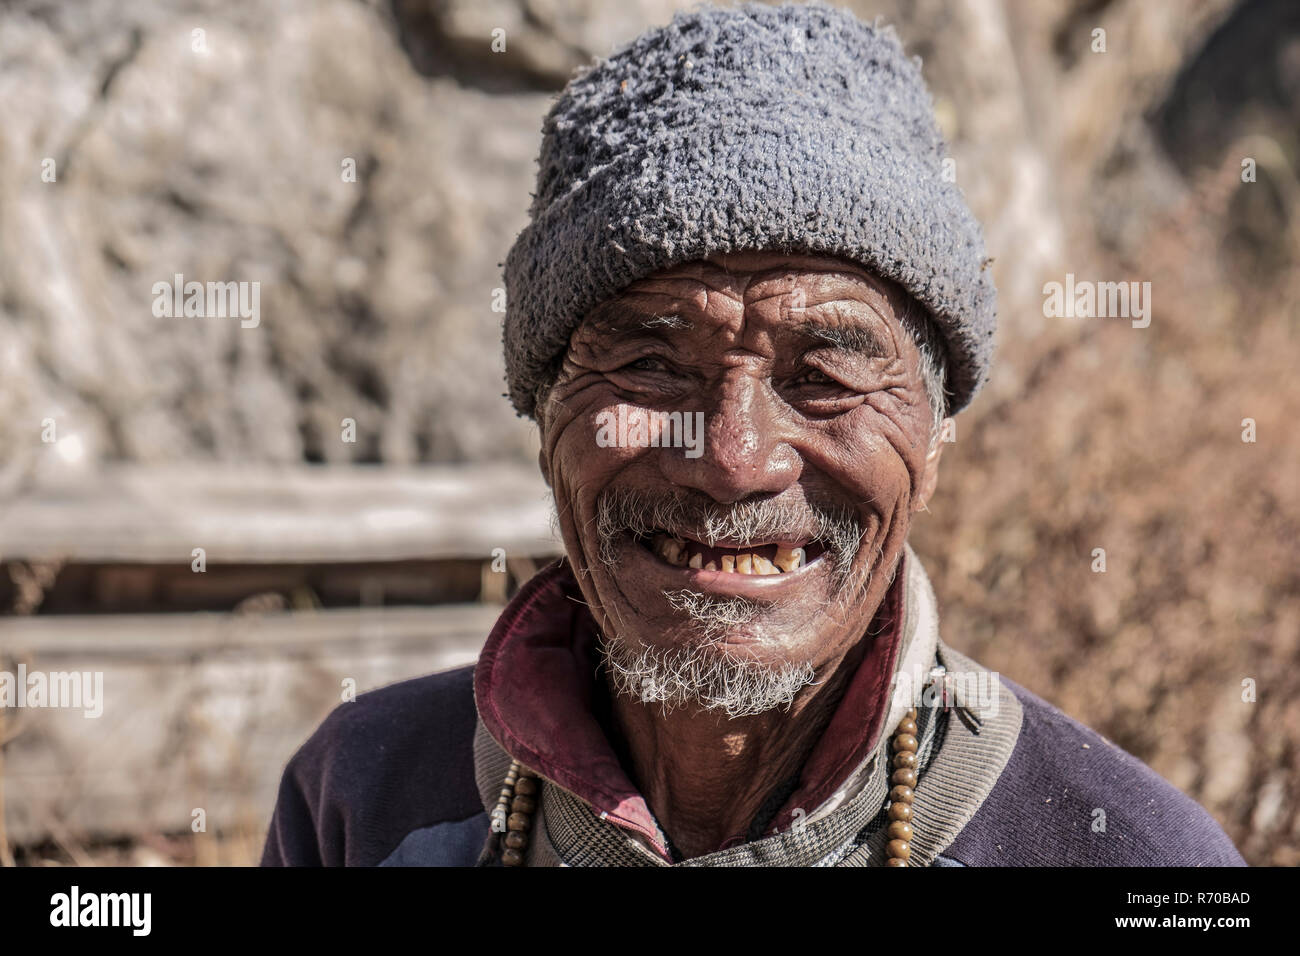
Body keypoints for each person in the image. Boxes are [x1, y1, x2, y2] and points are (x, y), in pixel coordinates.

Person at [262, 3, 1244, 867]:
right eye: (651, 365)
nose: (735, 457)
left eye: (822, 378)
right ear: (544, 409)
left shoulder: (1124, 851)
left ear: (934, 437)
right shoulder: (365, 796)